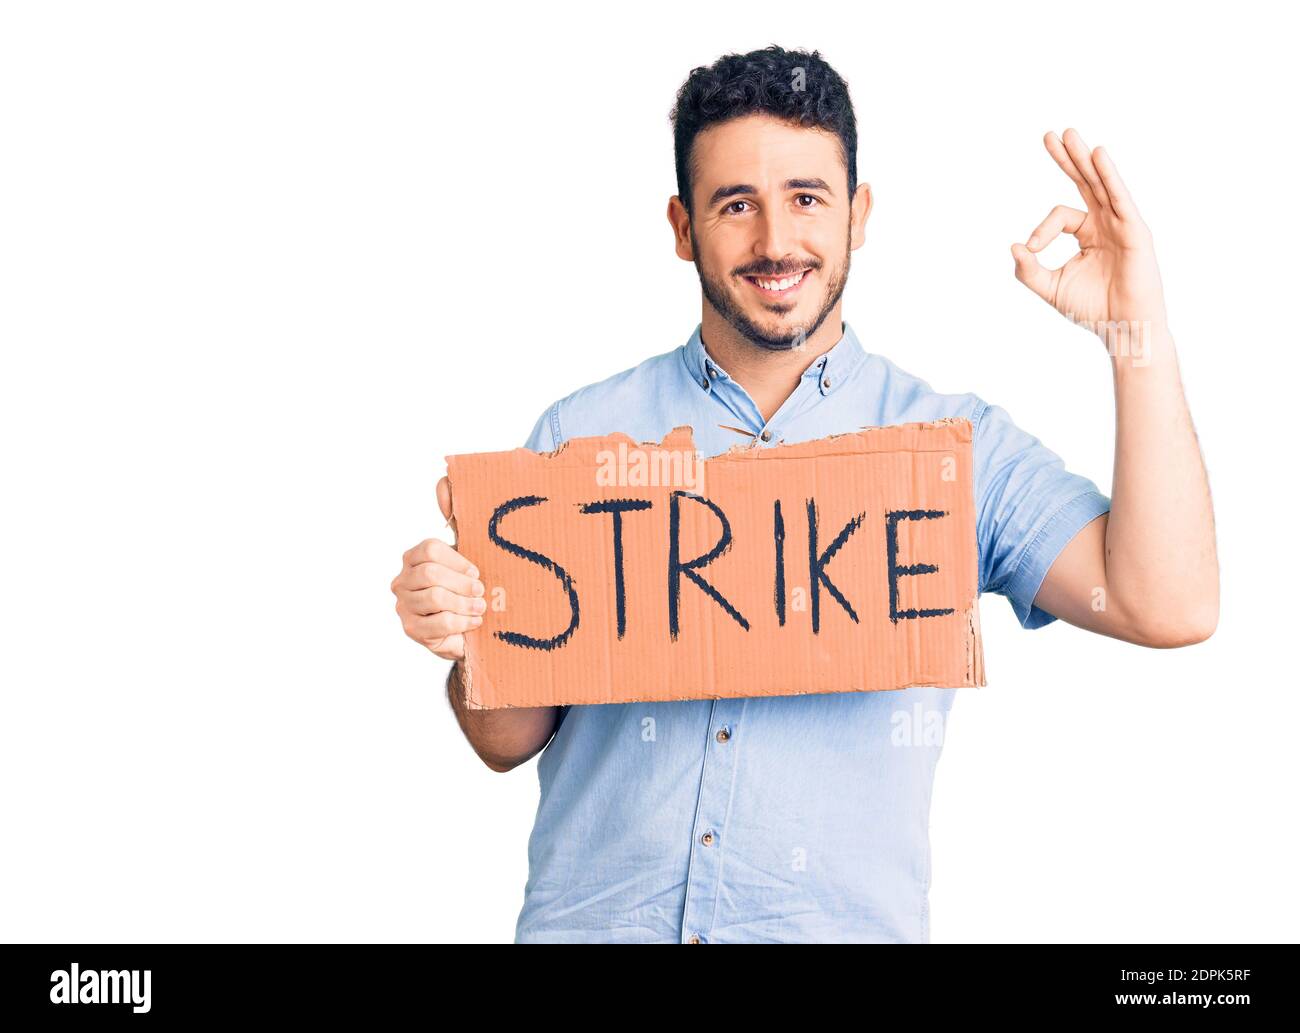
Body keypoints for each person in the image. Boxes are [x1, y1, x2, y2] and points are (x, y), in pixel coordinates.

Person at [390, 45, 1218, 943]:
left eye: (807, 198)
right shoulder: (579, 435)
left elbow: (1165, 603)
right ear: (681, 227)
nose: (775, 241)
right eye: (735, 204)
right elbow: (505, 738)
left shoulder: (950, 453)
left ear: (858, 215)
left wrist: (1138, 333)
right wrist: (468, 633)